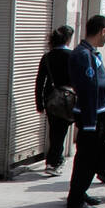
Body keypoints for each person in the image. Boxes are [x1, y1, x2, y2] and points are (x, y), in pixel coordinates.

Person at [65, 15, 105, 208]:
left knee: (92, 159)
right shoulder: (83, 55)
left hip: (99, 113)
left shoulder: (91, 53)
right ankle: (76, 198)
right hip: (91, 116)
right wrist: (91, 121)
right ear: (102, 30)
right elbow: (88, 89)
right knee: (86, 159)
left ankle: (81, 191)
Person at [35, 25, 75, 176]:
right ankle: (54, 161)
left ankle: (54, 159)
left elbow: (40, 81)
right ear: (68, 39)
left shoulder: (47, 57)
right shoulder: (72, 56)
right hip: (68, 99)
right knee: (62, 131)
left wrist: (39, 102)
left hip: (51, 98)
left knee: (54, 130)